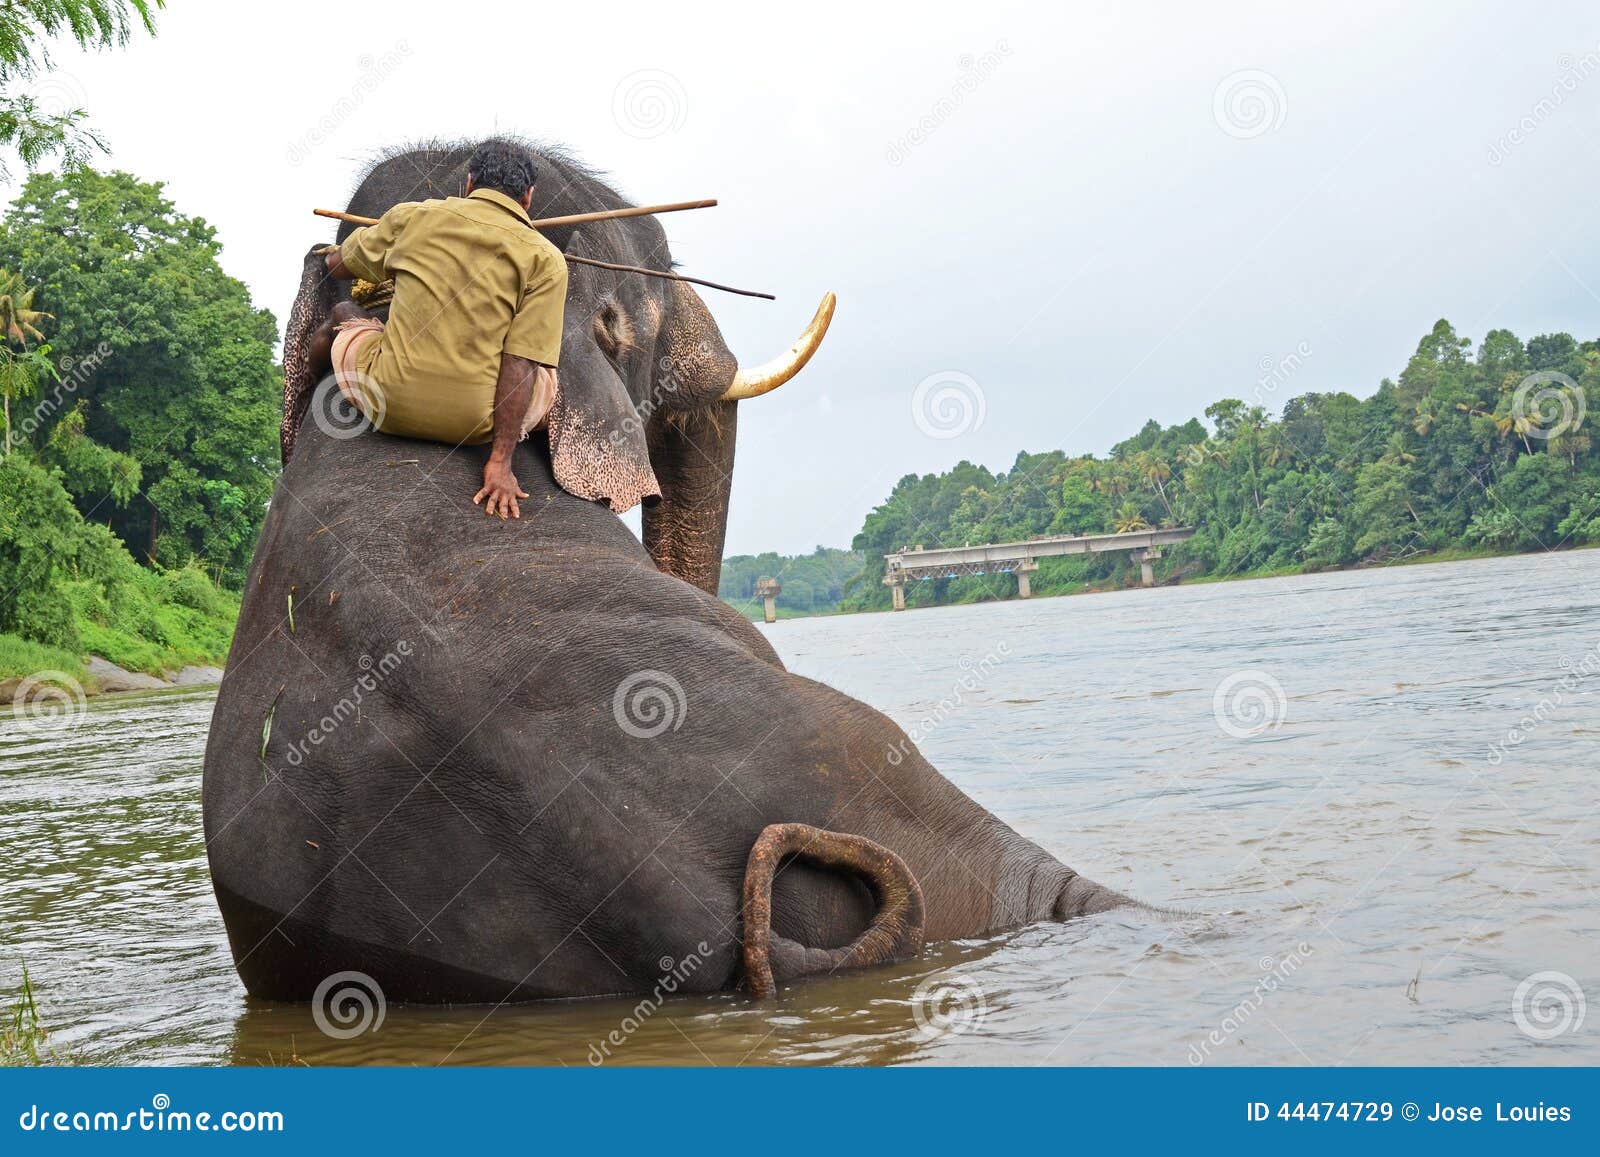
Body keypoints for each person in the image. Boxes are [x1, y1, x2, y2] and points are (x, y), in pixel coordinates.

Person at [306, 139, 568, 519]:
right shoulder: (546, 260)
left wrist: (352, 251)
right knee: (547, 373)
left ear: (469, 182)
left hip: (385, 402)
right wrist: (500, 462)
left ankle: (303, 400)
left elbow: (337, 266)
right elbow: (520, 360)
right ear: (528, 196)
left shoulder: (413, 217)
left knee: (343, 311)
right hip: (477, 424)